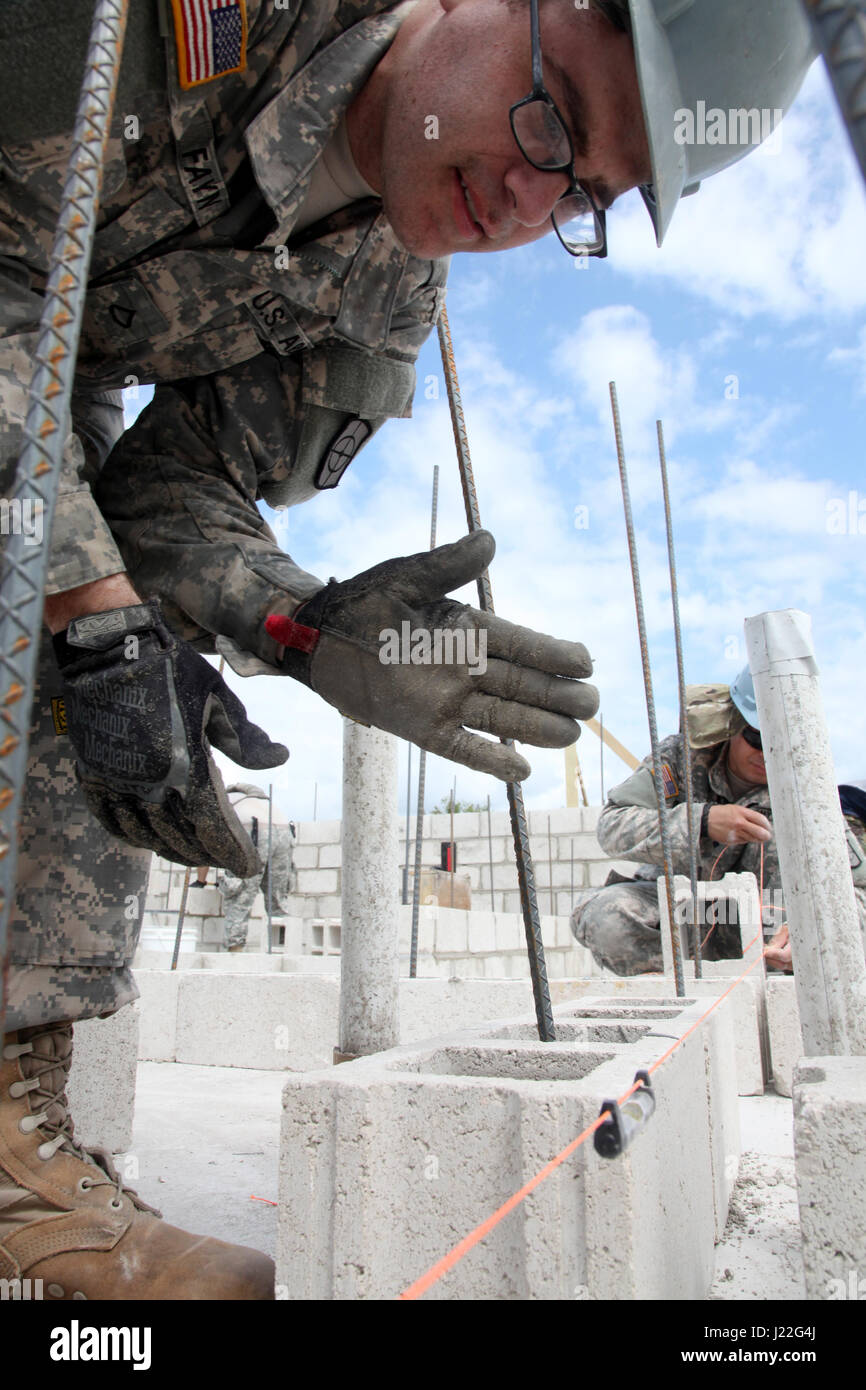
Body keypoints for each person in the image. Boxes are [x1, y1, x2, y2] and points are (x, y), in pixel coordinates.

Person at [0, 0, 815, 1300]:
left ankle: (13, 1160)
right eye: (553, 117)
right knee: (57, 587)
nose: (523, 194)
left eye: (581, 193)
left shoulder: (383, 299)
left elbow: (179, 488)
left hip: (50, 390)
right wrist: (85, 604)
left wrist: (299, 622)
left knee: (108, 646)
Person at [571, 669, 866, 976]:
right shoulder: (681, 758)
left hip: (767, 926)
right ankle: (680, 992)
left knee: (836, 923)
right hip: (681, 919)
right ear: (733, 723)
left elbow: (857, 892)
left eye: (780, 743)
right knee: (605, 916)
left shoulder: (808, 789)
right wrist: (700, 822)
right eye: (756, 738)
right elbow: (612, 825)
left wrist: (813, 929)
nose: (767, 755)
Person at [217, 785, 296, 952]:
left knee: (240, 894)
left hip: (253, 830)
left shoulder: (223, 798)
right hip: (285, 831)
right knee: (278, 898)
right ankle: (280, 950)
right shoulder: (261, 800)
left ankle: (235, 952)